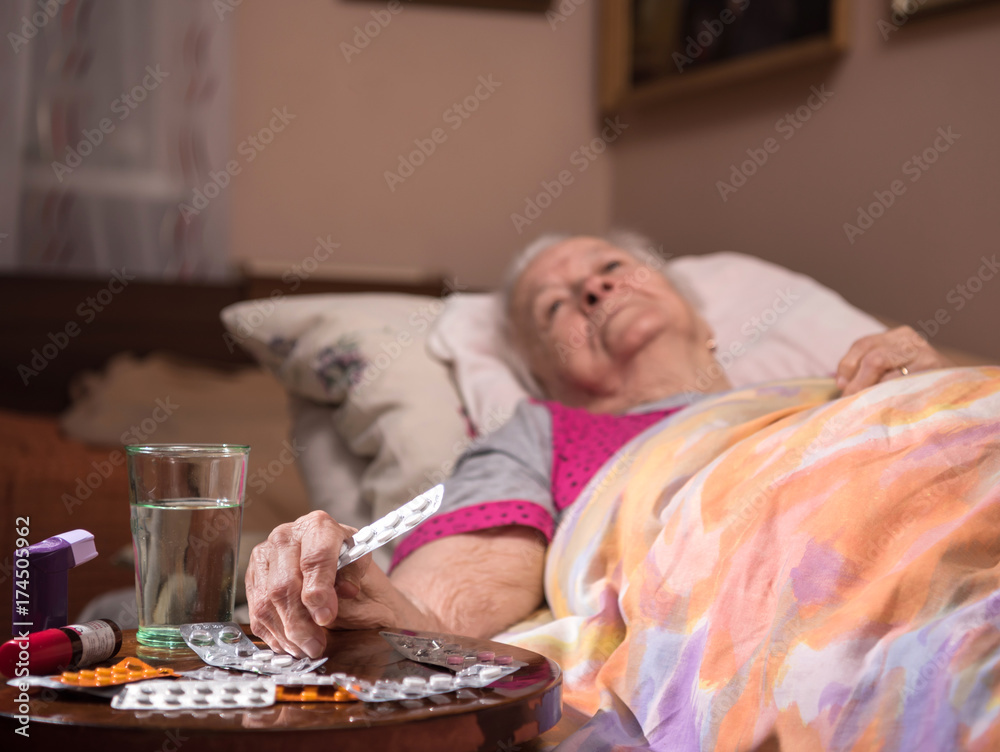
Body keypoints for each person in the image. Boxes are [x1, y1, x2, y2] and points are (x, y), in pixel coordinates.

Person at [245, 233, 952, 659]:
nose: (593, 288)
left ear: (703, 321)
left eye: (613, 266)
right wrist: (348, 592)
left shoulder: (838, 387)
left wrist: (933, 390)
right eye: (556, 305)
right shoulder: (543, 433)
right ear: (551, 372)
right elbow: (438, 620)